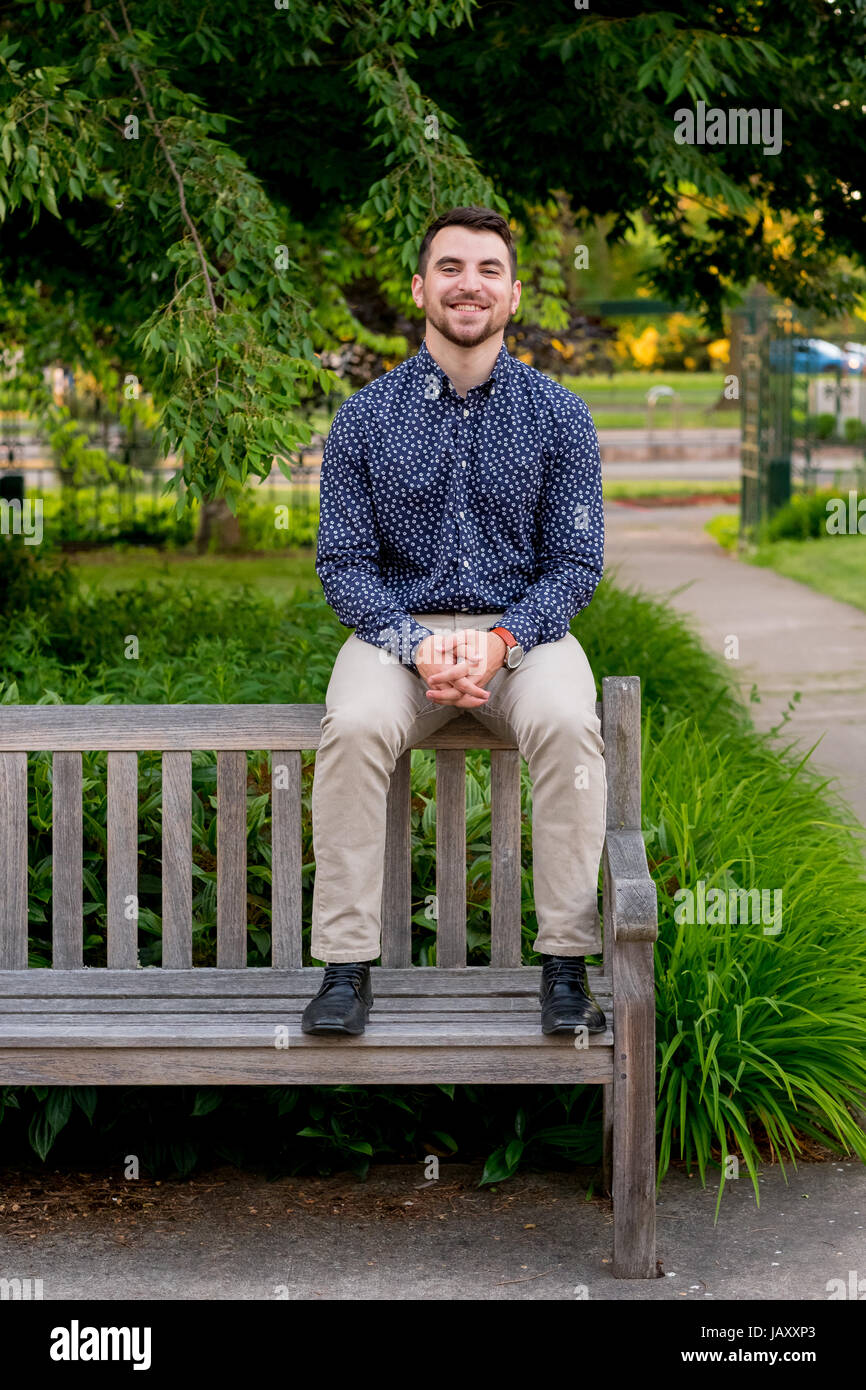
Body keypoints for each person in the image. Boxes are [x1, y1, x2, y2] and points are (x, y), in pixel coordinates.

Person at [302, 205, 607, 1037]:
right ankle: (345, 968)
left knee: (569, 722)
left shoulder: (560, 416)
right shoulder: (365, 418)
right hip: (397, 634)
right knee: (357, 723)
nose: (468, 284)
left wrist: (503, 639)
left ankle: (566, 966)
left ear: (512, 296)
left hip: (525, 633)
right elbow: (344, 565)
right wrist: (415, 642)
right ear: (420, 287)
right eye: (450, 267)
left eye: (487, 271)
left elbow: (575, 565)